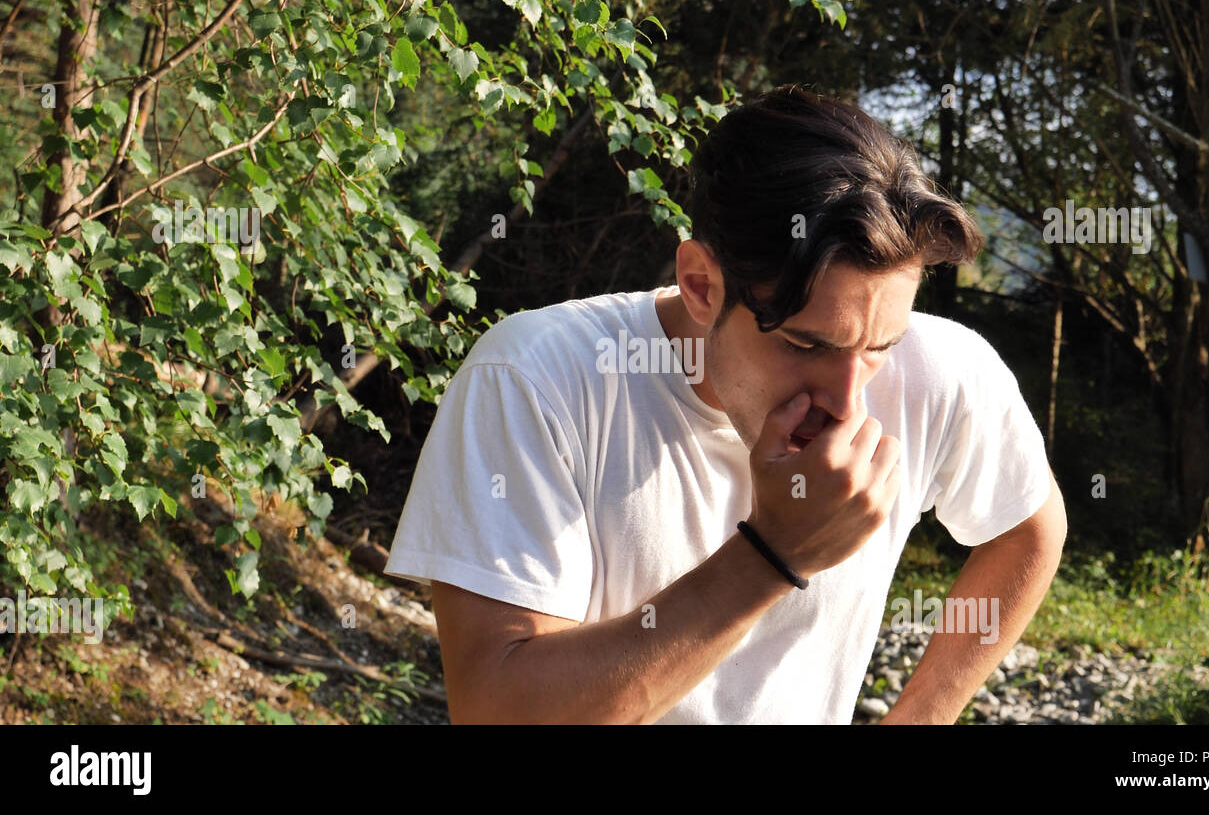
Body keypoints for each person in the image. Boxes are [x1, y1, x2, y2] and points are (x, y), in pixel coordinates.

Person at [383, 84, 1067, 724]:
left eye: (880, 346)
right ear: (701, 284)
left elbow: (1028, 528)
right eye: (805, 343)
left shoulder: (942, 372)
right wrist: (772, 555)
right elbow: (495, 707)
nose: (847, 400)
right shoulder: (534, 379)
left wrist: (922, 713)